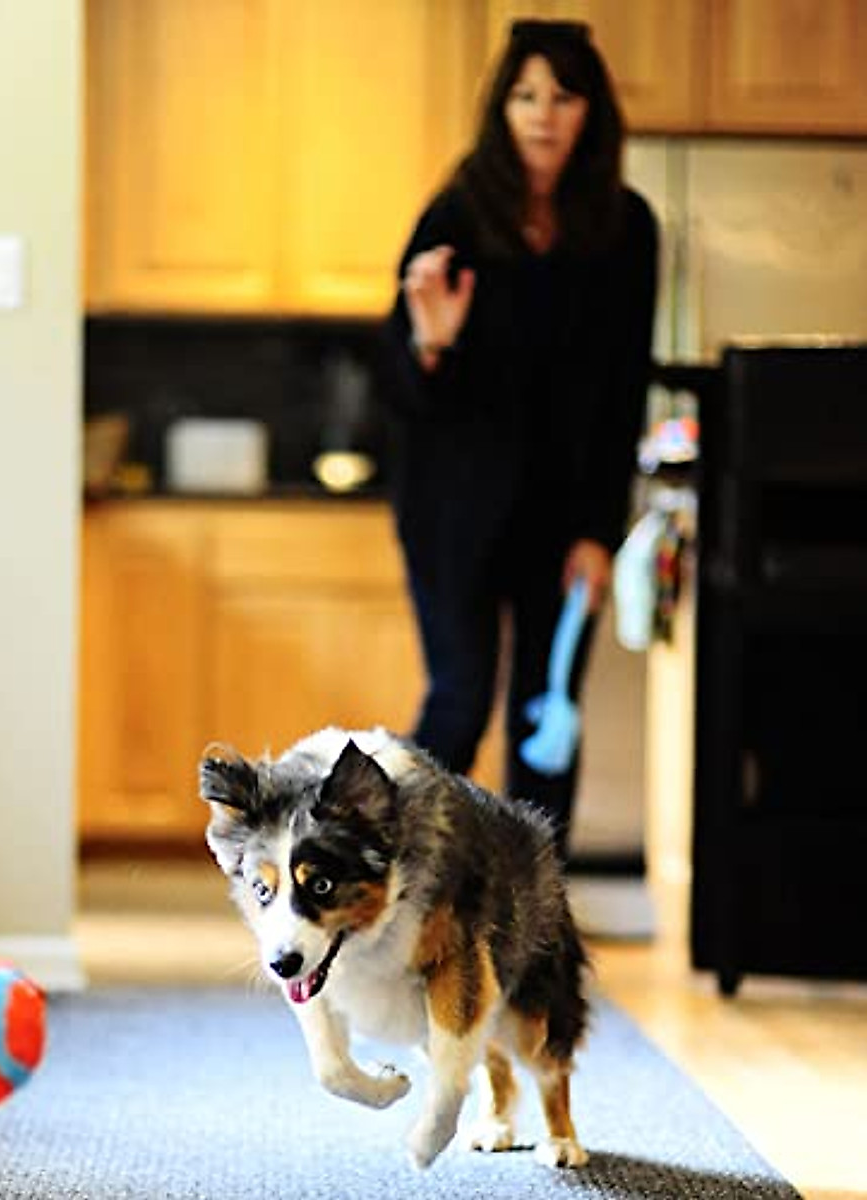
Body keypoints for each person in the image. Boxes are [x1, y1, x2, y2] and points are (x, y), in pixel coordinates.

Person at [380, 19, 659, 859]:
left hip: (562, 512)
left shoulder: (626, 228)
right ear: (502, 108)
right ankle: (386, 889)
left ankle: (530, 923)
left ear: (590, 114)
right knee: (460, 701)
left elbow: (622, 392)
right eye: (525, 94)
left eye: (563, 96)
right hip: (452, 506)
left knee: (545, 717)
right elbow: (400, 385)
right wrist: (431, 339)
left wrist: (599, 532)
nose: (543, 114)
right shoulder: (458, 213)